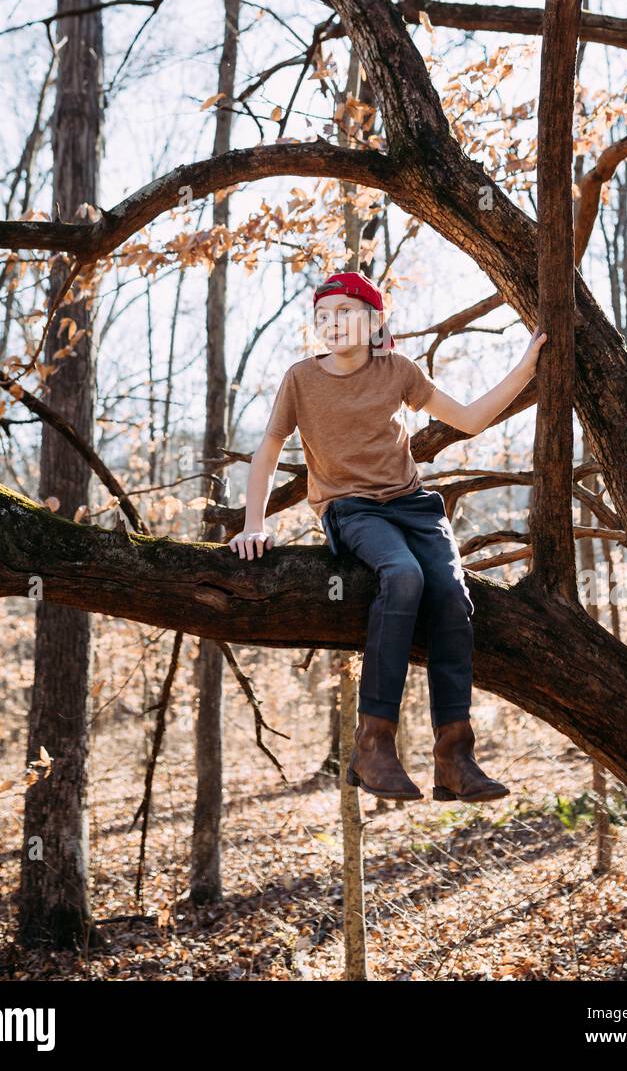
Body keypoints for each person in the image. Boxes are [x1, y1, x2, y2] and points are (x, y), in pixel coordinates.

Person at [230, 269, 547, 803]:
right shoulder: (301, 378)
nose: (333, 324)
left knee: (450, 592)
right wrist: (254, 524)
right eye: (323, 316)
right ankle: (374, 744)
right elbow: (268, 448)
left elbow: (467, 420)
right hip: (352, 510)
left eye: (346, 312)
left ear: (374, 320)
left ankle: (454, 754)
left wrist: (524, 368)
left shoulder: (397, 370)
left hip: (416, 509)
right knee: (402, 577)